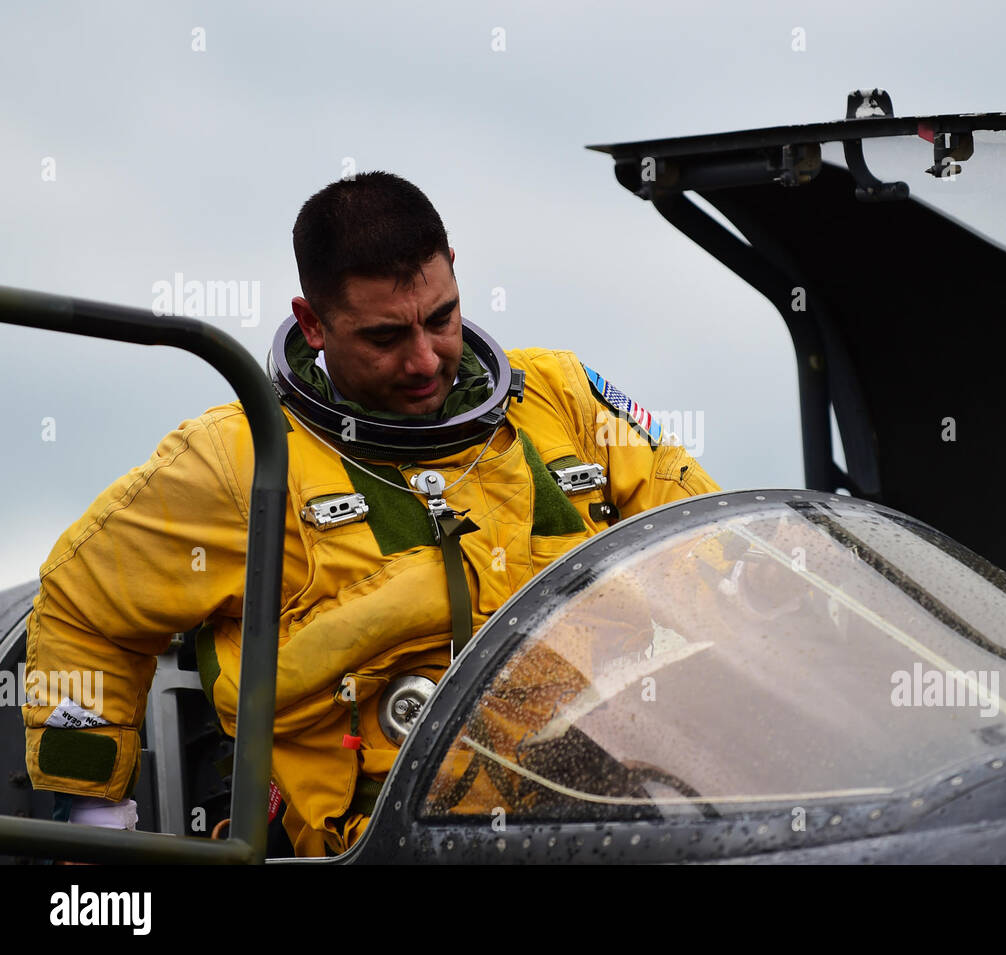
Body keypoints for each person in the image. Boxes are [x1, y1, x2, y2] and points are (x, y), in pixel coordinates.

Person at [22, 171, 720, 856]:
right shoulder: (240, 462)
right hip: (377, 843)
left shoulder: (564, 399)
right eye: (385, 337)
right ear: (313, 323)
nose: (424, 358)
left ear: (454, 272)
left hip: (610, 818)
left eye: (441, 318)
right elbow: (82, 607)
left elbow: (717, 550)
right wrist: (94, 829)